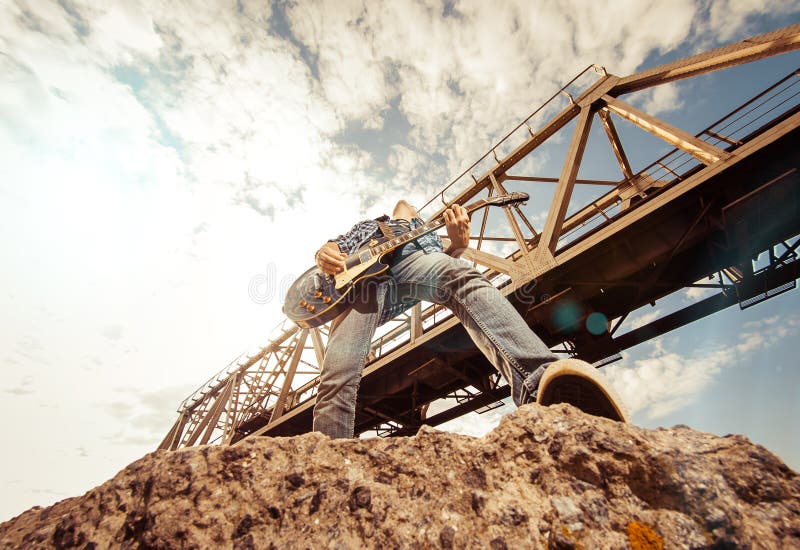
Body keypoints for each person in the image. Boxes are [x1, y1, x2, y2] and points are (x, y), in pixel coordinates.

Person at [312, 200, 627, 439]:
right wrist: (323, 252)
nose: (408, 209)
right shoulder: (368, 226)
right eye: (404, 211)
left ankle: (541, 386)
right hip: (356, 285)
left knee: (459, 274)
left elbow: (440, 271)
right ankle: (326, 454)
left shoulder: (426, 235)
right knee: (339, 370)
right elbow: (331, 248)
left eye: (411, 212)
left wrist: (458, 245)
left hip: (414, 261)